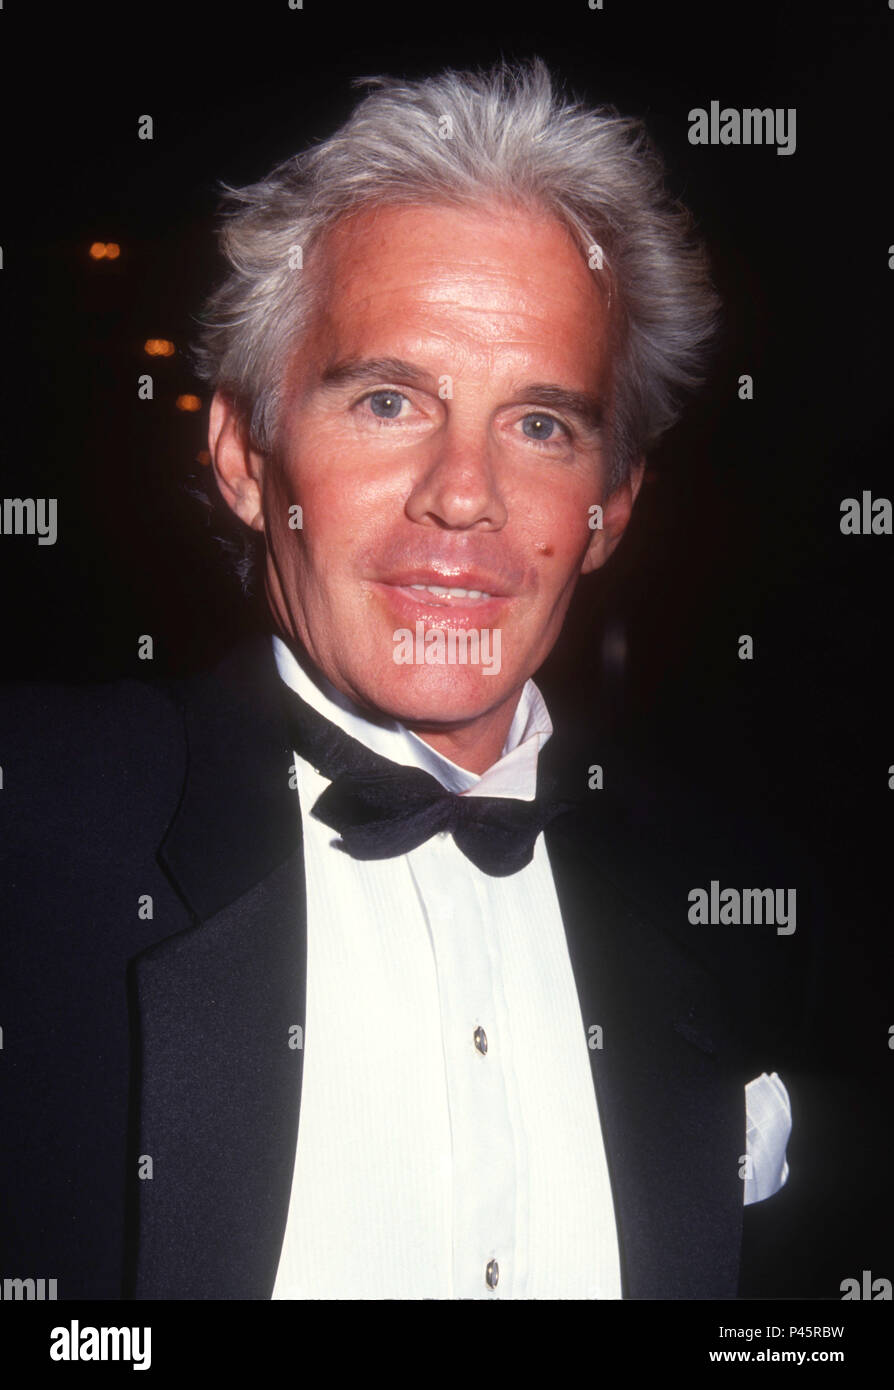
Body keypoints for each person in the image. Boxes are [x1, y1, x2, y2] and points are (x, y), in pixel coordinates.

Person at [0, 59, 800, 1300]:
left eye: (541, 424)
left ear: (609, 508)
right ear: (246, 458)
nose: (465, 492)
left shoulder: (751, 908)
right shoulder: (38, 826)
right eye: (387, 399)